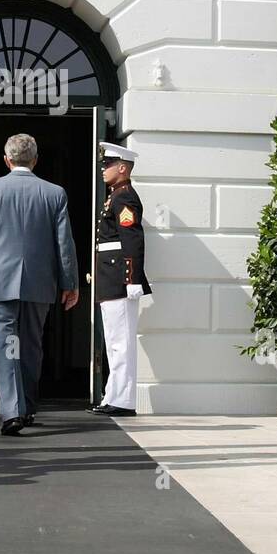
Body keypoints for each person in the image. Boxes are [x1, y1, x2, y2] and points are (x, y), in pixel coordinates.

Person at [0, 133, 78, 435]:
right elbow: (63, 244)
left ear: (7, 159)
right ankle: (26, 406)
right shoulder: (54, 193)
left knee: (6, 346)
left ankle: (12, 411)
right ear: (35, 160)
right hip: (39, 282)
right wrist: (70, 282)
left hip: (0, 281)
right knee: (30, 345)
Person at [90, 142, 151, 417]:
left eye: (108, 165)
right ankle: (113, 396)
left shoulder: (124, 197)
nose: (104, 169)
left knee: (121, 342)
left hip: (118, 278)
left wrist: (132, 278)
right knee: (115, 342)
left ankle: (123, 400)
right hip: (110, 276)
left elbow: (132, 239)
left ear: (123, 168)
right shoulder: (115, 196)